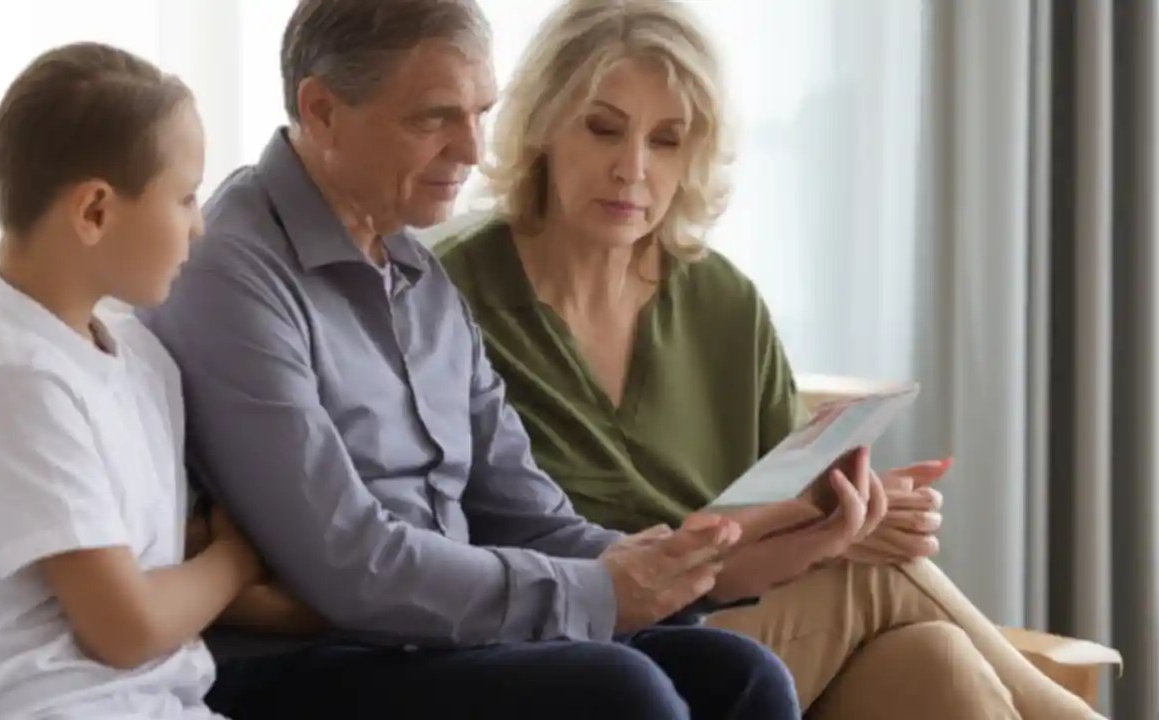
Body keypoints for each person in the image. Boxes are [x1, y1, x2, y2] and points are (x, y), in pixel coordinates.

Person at [137, 1, 865, 718]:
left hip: (434, 645)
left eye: (479, 113)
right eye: (433, 119)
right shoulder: (232, 272)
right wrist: (604, 592)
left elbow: (530, 516)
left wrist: (697, 568)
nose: (472, 150)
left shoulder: (417, 277)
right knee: (618, 694)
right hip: (307, 659)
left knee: (741, 676)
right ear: (322, 110)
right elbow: (347, 563)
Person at [437, 1, 1107, 719]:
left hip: (739, 630)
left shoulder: (721, 302)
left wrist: (851, 516)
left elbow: (778, 511)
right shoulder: (449, 297)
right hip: (586, 653)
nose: (632, 169)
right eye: (604, 129)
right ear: (542, 125)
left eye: (667, 141)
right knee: (878, 585)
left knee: (934, 659)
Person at [0, 43, 266, 719]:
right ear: (94, 210)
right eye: (184, 197)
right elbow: (127, 628)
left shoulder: (138, 358)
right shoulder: (4, 373)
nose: (199, 225)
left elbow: (151, 568)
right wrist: (237, 560)